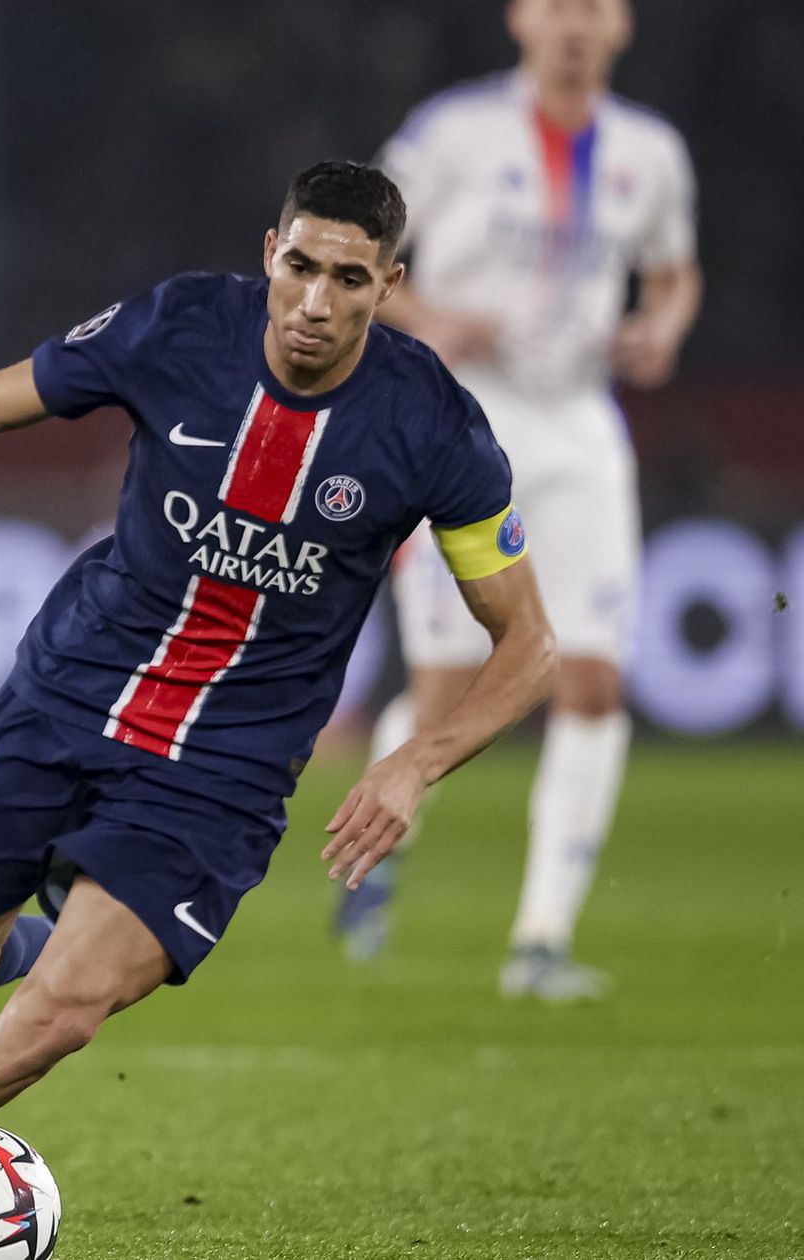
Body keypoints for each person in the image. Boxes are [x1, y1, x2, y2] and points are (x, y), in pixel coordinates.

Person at [0, 162, 557, 1249]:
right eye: (301, 267)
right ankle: (77, 929)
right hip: (67, 697)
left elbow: (528, 643)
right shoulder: (182, 325)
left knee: (58, 1020)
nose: (317, 302)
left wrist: (415, 761)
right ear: (268, 250)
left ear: (391, 284)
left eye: (351, 280)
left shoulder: (433, 426)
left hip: (220, 775)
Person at [338, 0, 701, 997]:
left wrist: (663, 326)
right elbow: (360, 245)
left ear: (622, 27)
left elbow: (673, 274)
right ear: (522, 21)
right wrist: (428, 315)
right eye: (560, 6)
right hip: (460, 417)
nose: (576, 25)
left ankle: (541, 939)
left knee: (589, 681)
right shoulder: (453, 133)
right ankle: (380, 851)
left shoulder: (651, 153)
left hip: (581, 425)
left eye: (596, 8)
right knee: (452, 688)